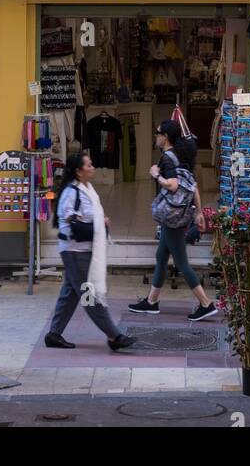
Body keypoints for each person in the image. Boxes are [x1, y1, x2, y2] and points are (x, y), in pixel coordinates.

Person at [45, 151, 136, 352]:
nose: (92, 168)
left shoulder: (86, 188)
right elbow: (70, 221)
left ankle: (54, 334)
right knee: (89, 294)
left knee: (70, 293)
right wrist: (97, 224)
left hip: (83, 250)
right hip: (75, 251)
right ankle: (114, 336)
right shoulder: (72, 192)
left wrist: (99, 222)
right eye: (89, 165)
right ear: (78, 171)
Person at [129, 120, 218, 320]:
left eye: (157, 132)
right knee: (161, 256)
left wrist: (155, 175)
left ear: (165, 136)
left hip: (172, 217)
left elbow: (174, 185)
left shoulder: (167, 159)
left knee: (181, 262)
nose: (155, 136)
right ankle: (151, 302)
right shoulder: (180, 155)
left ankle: (206, 303)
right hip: (179, 214)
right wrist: (199, 212)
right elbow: (192, 185)